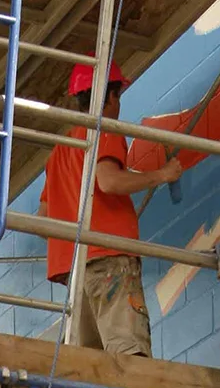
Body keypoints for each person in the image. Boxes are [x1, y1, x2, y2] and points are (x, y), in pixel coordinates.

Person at [40, 60, 183, 356]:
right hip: (109, 262)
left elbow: (44, 218)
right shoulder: (105, 130)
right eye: (118, 95)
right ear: (111, 96)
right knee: (129, 355)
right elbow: (107, 181)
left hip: (76, 273)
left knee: (92, 367)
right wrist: (162, 175)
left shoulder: (60, 150)